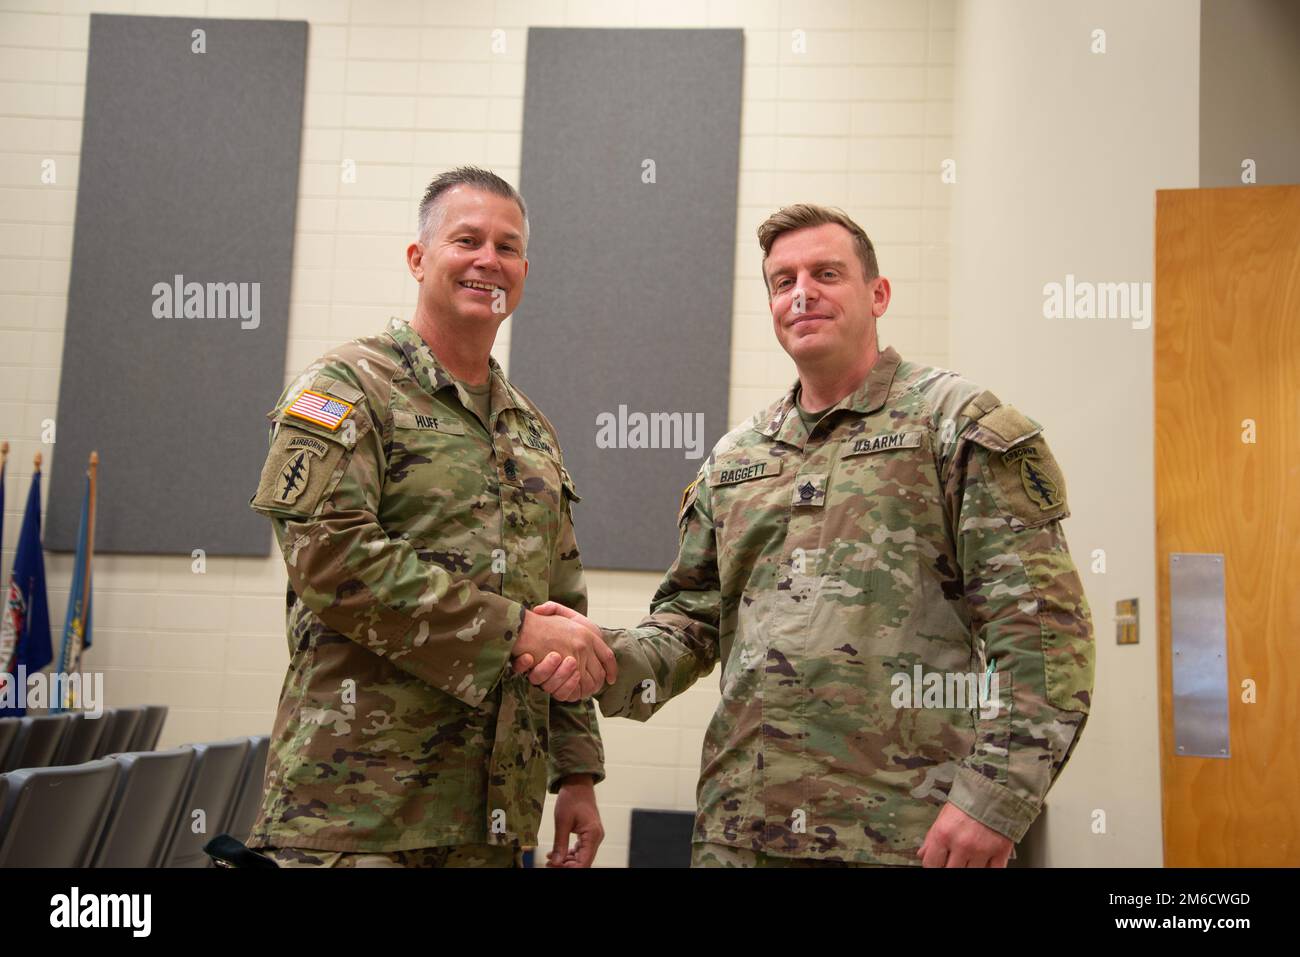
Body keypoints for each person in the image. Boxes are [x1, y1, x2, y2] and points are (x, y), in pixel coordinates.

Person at [518, 203, 1095, 867]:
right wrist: (606, 662)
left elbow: (1044, 633)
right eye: (783, 280)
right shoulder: (737, 459)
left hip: (906, 836)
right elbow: (689, 623)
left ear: (877, 294)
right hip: (739, 834)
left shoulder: (956, 427)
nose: (802, 293)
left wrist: (993, 799)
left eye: (826, 273)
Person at [246, 166, 616, 869]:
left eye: (507, 248)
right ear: (418, 258)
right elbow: (332, 560)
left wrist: (576, 771)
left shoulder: (531, 430)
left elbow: (562, 610)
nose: (488, 260)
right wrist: (511, 632)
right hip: (357, 811)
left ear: (524, 273)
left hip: (494, 817)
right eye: (467, 239)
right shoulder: (346, 387)